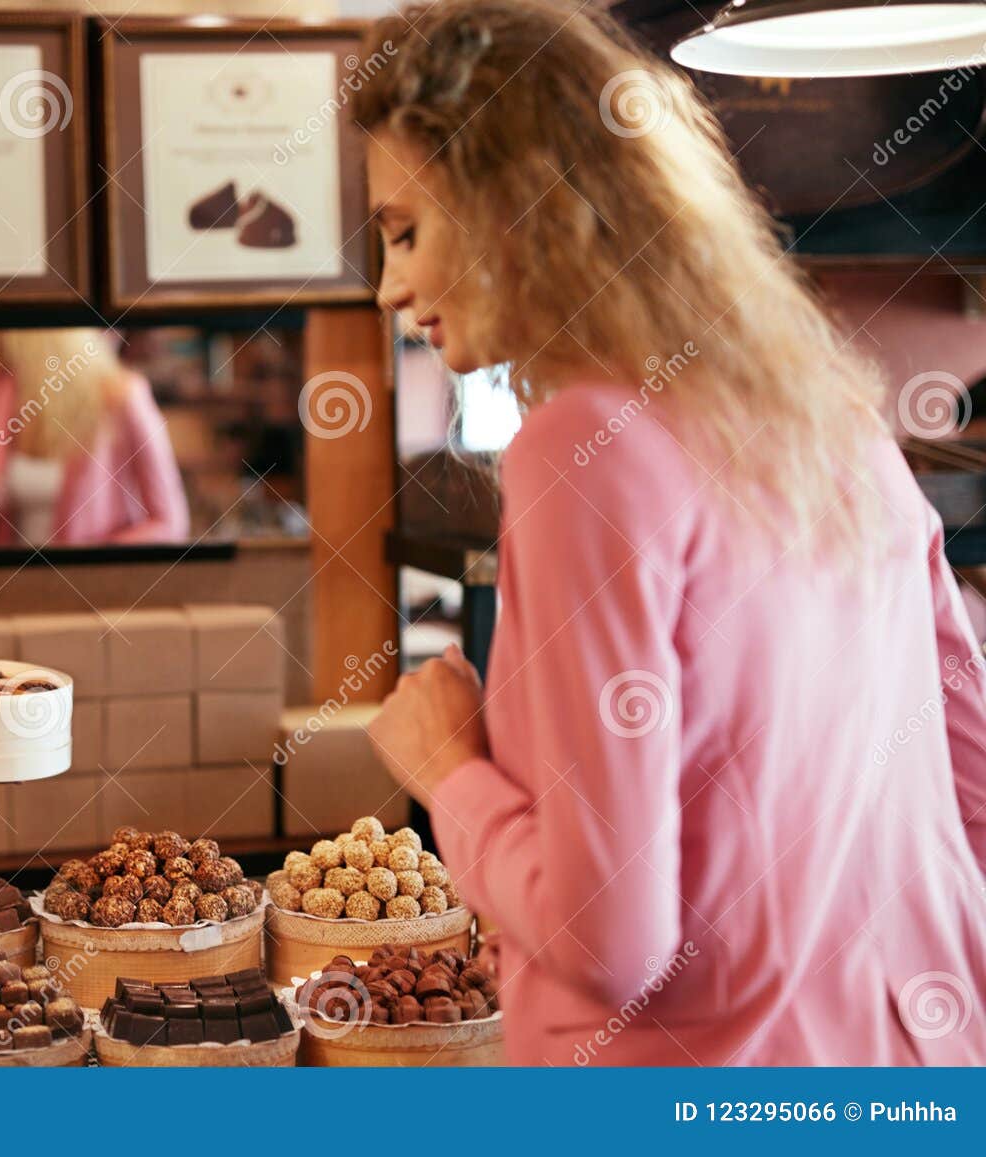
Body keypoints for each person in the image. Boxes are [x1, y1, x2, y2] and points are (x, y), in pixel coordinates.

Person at [358, 0, 986, 1065]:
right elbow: (969, 774)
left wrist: (446, 769)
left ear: (516, 199)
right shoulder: (832, 418)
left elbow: (607, 943)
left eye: (406, 229)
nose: (390, 287)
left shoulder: (581, 444)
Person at [0, 328, 189, 546]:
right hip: (11, 581)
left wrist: (96, 563)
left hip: (94, 584)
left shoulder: (122, 395)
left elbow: (170, 522)